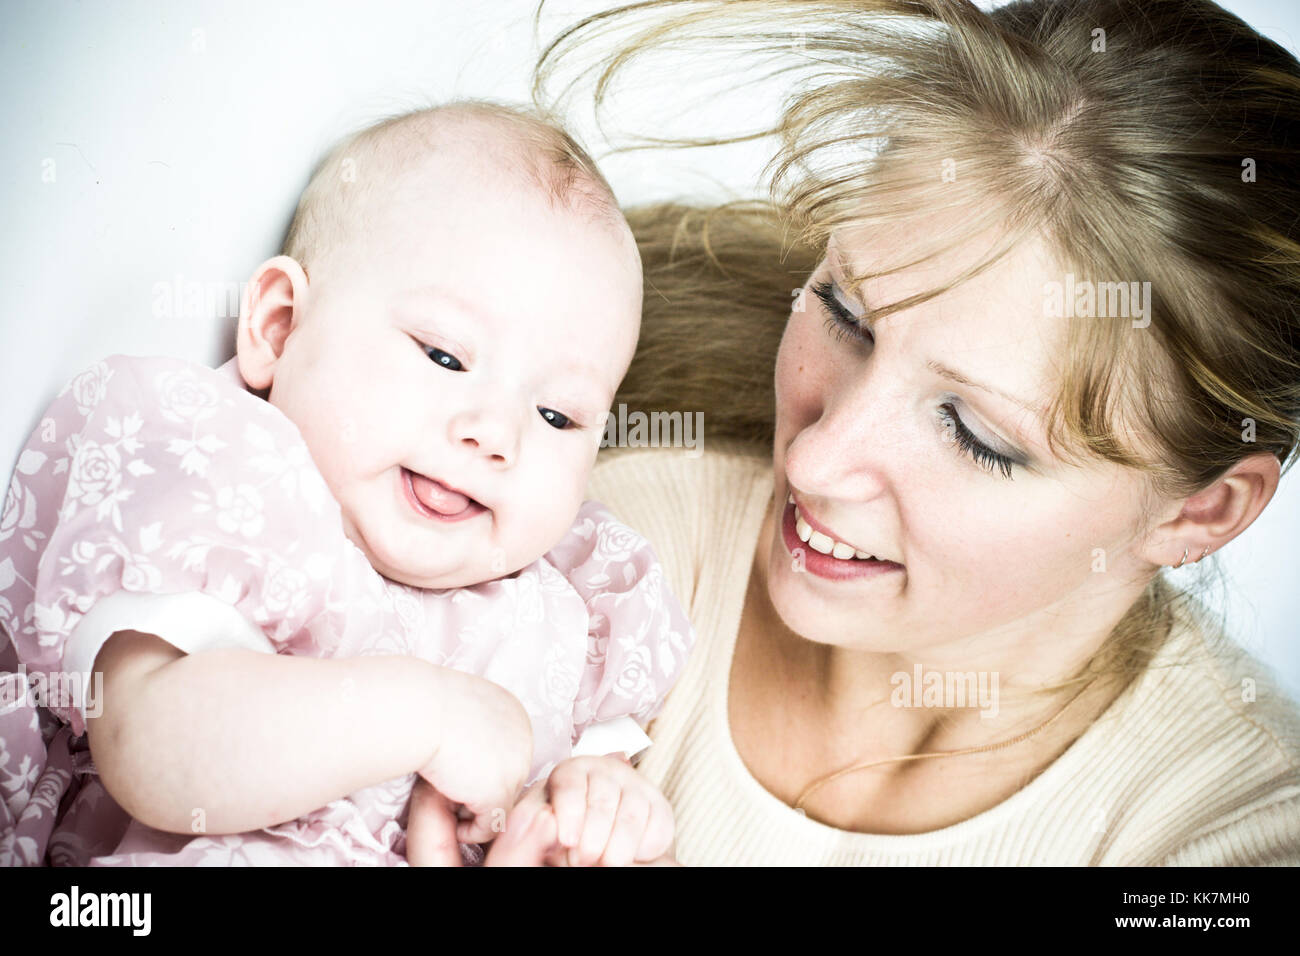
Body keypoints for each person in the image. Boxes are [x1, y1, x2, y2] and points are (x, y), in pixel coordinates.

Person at [535, 0, 1300, 864]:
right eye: (844, 312)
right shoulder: (604, 540)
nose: (816, 460)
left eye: (975, 434)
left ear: (1200, 512)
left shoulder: (1236, 837)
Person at [0, 100, 691, 866]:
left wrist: (601, 805)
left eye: (558, 415)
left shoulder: (574, 617)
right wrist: (421, 712)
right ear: (278, 326)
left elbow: (582, 822)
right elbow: (146, 743)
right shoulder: (236, 499)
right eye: (444, 357)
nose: (495, 435)